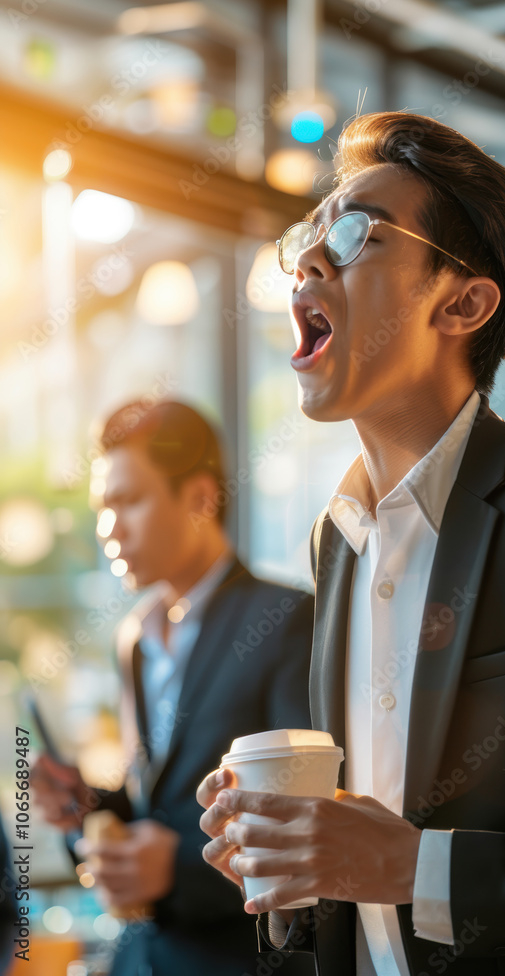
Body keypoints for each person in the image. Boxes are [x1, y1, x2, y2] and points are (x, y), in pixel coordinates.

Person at [197, 111, 505, 975]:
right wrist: (291, 863)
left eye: (356, 233)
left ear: (462, 302)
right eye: (310, 233)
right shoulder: (333, 543)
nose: (310, 256)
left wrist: (415, 866)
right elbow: (365, 885)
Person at [33, 399, 314, 976]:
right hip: (145, 958)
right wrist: (85, 805)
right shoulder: (134, 638)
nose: (108, 527)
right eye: (101, 507)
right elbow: (156, 806)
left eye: (128, 501)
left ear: (200, 498)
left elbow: (303, 821)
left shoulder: (287, 621)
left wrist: (181, 867)